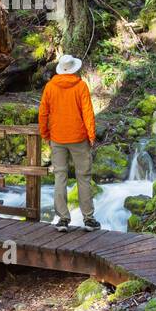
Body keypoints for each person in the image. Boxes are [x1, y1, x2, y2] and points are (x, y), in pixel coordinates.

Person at [38, 54, 100, 232]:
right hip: (79, 138)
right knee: (84, 177)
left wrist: (45, 134)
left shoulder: (50, 87)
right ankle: (88, 219)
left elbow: (43, 113)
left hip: (57, 138)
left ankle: (63, 219)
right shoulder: (80, 86)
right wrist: (91, 136)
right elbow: (88, 113)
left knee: (60, 177)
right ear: (74, 68)